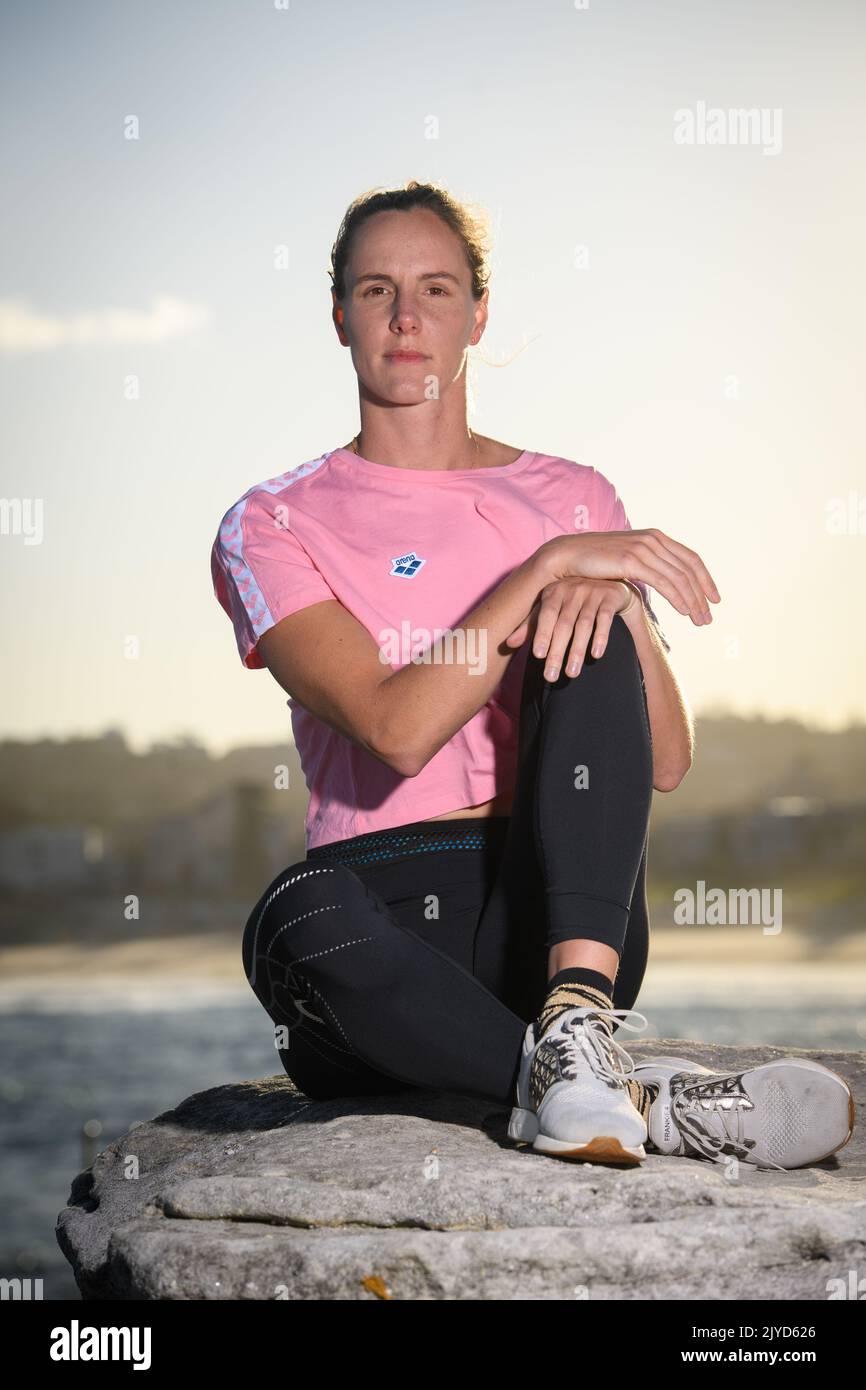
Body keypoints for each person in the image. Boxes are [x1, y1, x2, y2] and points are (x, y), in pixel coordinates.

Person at [211, 181, 854, 1170]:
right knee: (294, 916)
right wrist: (547, 568)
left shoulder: (570, 494)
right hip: (375, 927)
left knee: (590, 626)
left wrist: (609, 593)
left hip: (556, 914)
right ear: (338, 314)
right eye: (376, 289)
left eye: (436, 287)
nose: (407, 316)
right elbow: (394, 727)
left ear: (478, 311)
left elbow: (669, 757)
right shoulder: (270, 522)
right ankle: (640, 1097)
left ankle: (578, 1023)